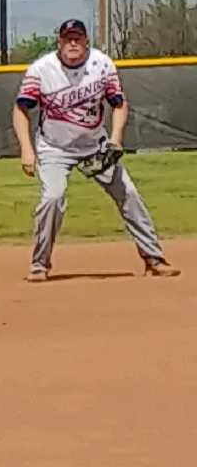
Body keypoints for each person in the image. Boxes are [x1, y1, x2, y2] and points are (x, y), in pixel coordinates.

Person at [14, 17, 177, 283]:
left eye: (78, 37)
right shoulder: (41, 70)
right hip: (55, 147)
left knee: (129, 194)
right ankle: (39, 264)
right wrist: (26, 150)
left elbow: (119, 103)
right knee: (53, 198)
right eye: (68, 38)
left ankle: (154, 258)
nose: (73, 43)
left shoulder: (102, 64)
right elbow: (20, 109)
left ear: (86, 41)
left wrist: (115, 139)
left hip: (95, 145)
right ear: (60, 42)